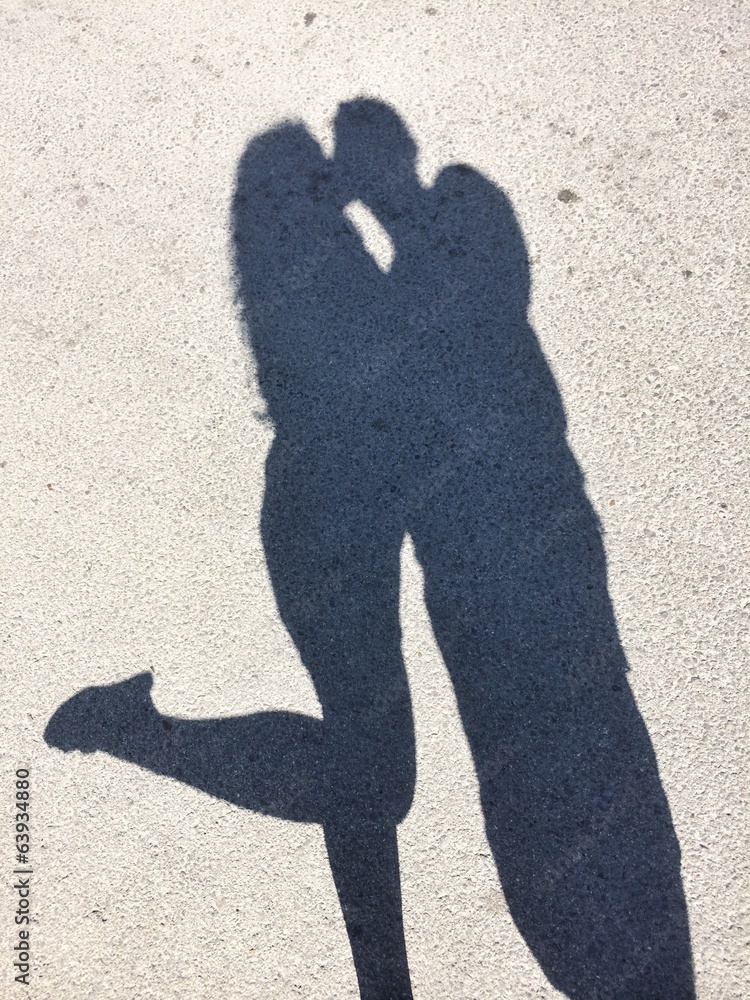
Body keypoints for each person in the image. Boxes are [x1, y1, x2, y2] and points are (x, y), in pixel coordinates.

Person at [46, 100, 695, 999]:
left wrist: (370, 191)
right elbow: (449, 311)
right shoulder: (347, 304)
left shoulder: (315, 295)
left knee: (367, 771)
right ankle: (131, 732)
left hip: (321, 515)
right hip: (327, 522)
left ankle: (135, 736)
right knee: (373, 779)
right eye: (319, 184)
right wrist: (381, 187)